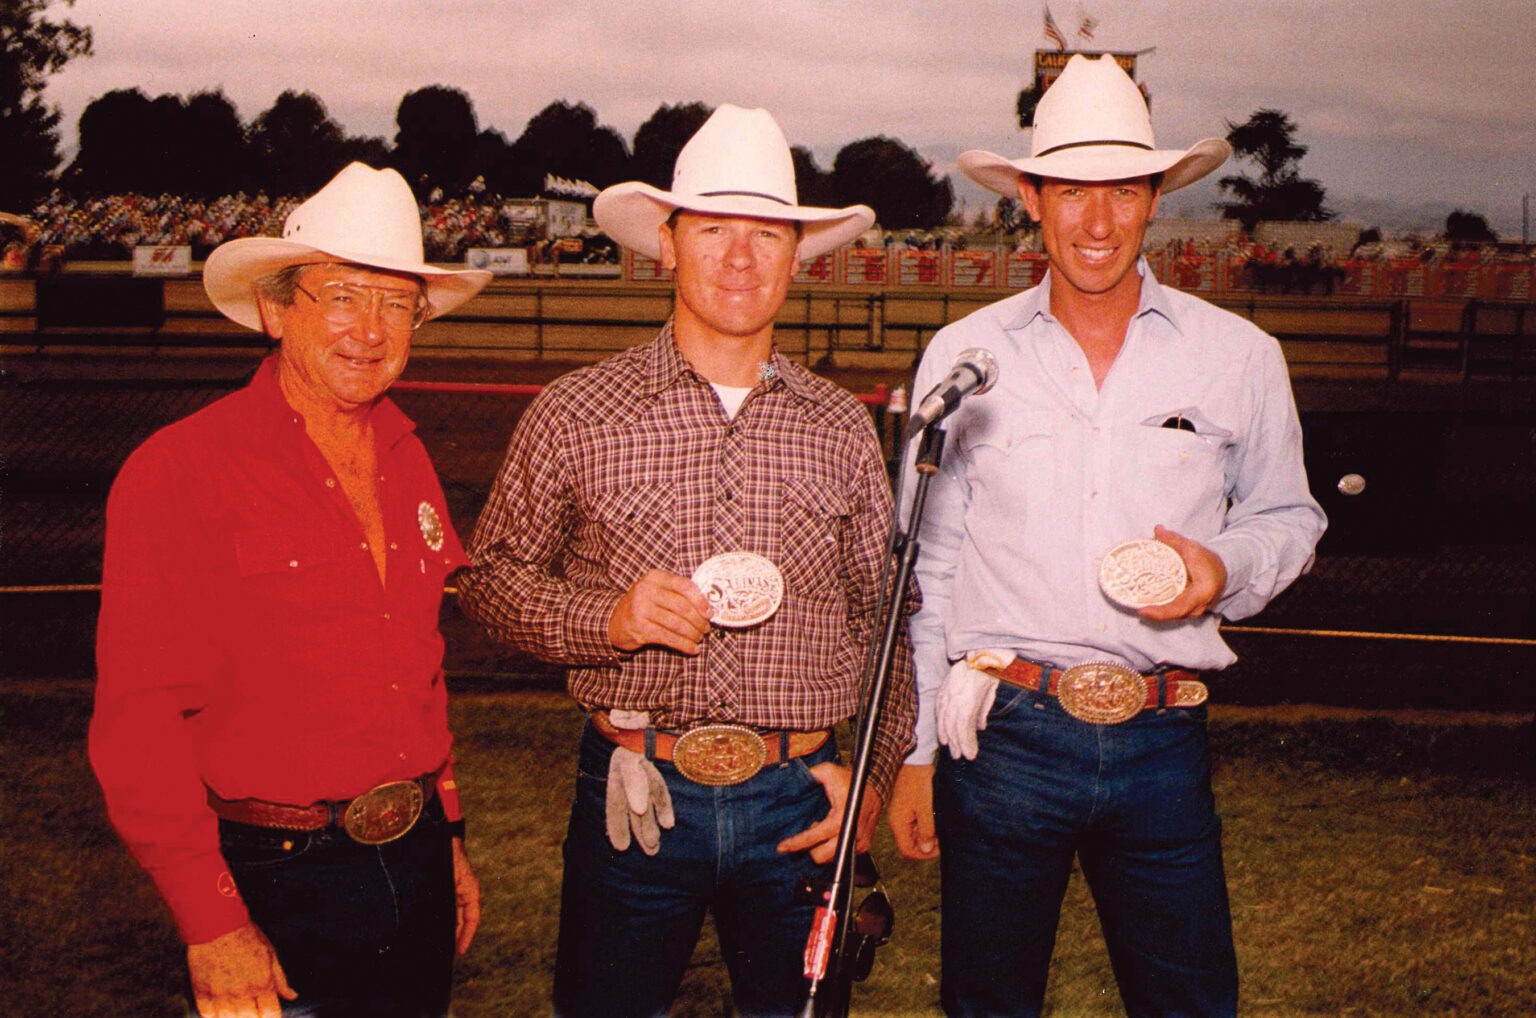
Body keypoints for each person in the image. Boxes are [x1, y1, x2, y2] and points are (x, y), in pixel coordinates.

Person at [885, 55, 1327, 1017]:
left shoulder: (1239, 356)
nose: (1097, 222)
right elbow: (928, 568)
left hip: (1163, 736)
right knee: (986, 1005)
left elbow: (1290, 516)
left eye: (1122, 191)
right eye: (1072, 192)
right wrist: (915, 752)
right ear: (1032, 199)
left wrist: (1223, 569)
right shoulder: (966, 357)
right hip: (1000, 739)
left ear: (1155, 200)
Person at [456, 104, 917, 1018]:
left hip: (800, 800)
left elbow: (887, 620)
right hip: (636, 791)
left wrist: (871, 776)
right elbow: (489, 580)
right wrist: (607, 619)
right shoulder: (577, 410)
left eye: (765, 236)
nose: (739, 259)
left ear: (796, 256)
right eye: (712, 231)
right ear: (666, 244)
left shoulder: (839, 428)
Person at [90, 162, 492, 1018]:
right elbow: (138, 723)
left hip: (412, 852)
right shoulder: (179, 471)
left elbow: (418, 668)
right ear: (276, 309)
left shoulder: (407, 456)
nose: (370, 329)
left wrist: (444, 831)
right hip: (273, 871)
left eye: (396, 302)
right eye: (342, 295)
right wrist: (211, 924)